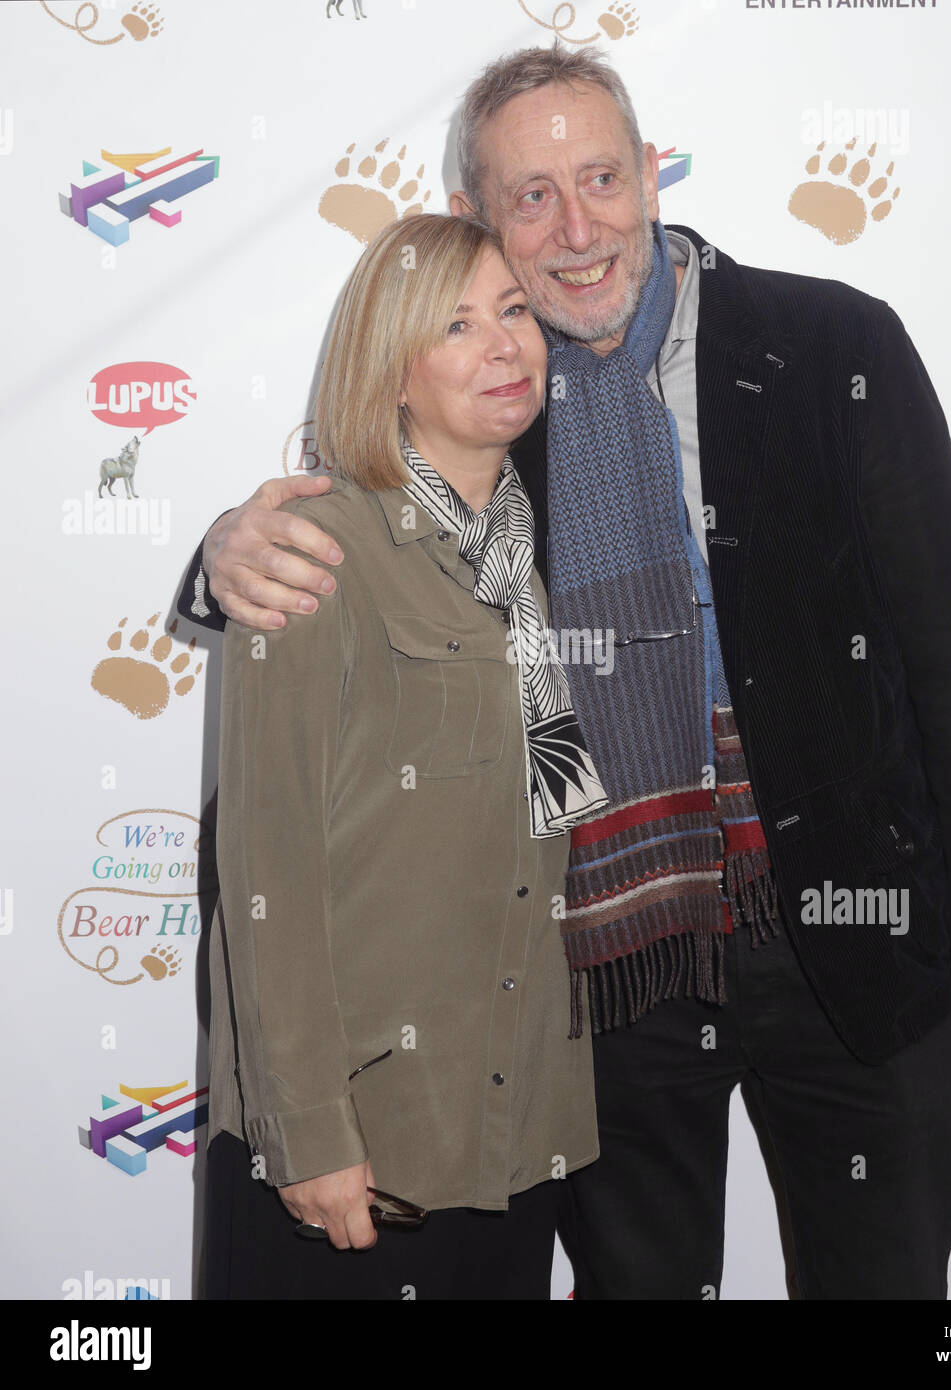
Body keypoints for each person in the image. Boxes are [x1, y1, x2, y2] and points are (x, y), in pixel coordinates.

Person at [183, 45, 951, 1300]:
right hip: (599, 961)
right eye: (529, 195)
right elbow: (367, 516)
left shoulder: (829, 343)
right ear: (478, 219)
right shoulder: (494, 387)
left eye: (599, 177)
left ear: (651, 175)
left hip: (851, 935)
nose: (575, 225)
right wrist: (219, 555)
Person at [203, 211, 603, 1301]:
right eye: (456, 325)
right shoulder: (311, 547)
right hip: (362, 1144)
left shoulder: (551, 543)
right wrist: (310, 1130)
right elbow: (265, 871)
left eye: (513, 311)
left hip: (513, 1129)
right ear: (388, 373)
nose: (504, 344)